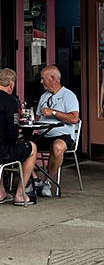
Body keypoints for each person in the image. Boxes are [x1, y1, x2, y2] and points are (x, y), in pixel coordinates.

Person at [0, 67, 37, 205]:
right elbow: (11, 136)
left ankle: (1, 192)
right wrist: (19, 135)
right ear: (11, 85)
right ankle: (20, 194)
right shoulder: (10, 102)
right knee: (31, 148)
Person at [34, 65, 80, 197]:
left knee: (57, 147)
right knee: (22, 145)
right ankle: (35, 180)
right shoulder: (44, 97)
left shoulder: (68, 96)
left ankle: (48, 182)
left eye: (43, 78)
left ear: (52, 78)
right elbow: (37, 118)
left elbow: (74, 119)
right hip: (43, 134)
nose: (41, 81)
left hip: (62, 135)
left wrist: (53, 112)